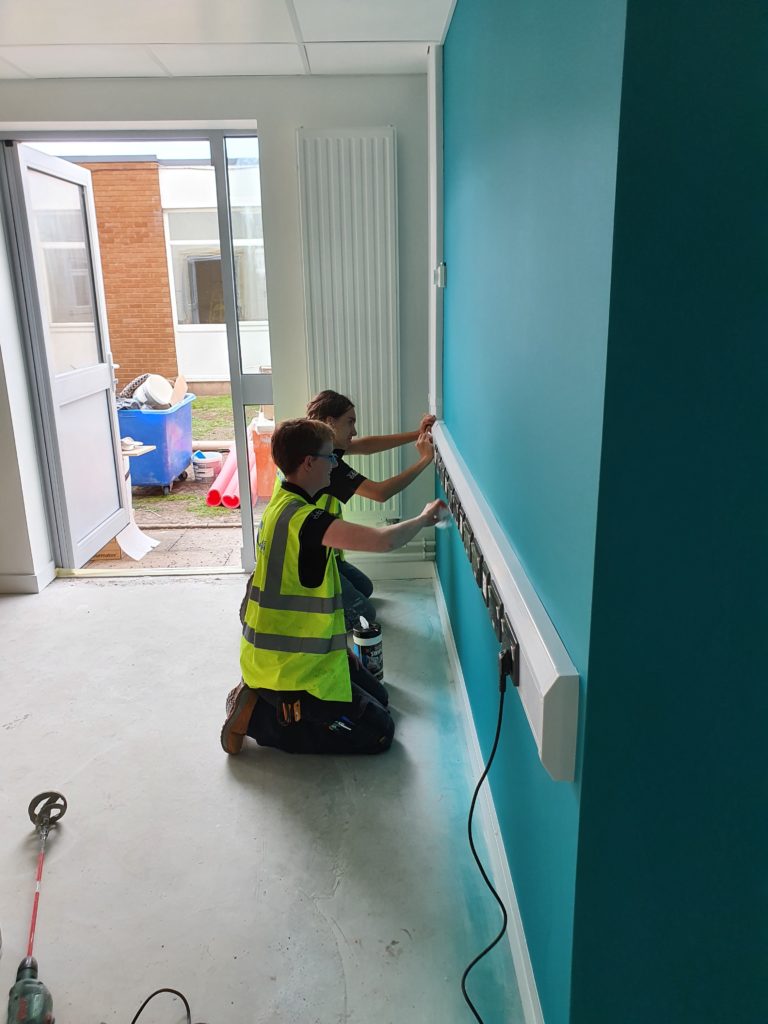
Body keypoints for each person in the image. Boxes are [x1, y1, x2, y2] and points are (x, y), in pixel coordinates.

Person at [221, 418, 446, 757]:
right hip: (286, 667)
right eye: (330, 457)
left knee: (381, 698)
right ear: (308, 463)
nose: (335, 464)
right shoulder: (305, 520)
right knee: (380, 734)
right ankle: (256, 715)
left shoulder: (283, 498)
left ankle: (271, 698)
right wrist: (425, 518)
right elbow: (383, 541)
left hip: (300, 653)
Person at [305, 390, 437, 629]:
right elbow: (380, 493)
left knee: (364, 588)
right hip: (305, 557)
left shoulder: (314, 443)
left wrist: (417, 434)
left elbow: (366, 445)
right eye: (350, 422)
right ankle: (308, 606)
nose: (354, 431)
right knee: (364, 613)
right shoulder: (323, 464)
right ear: (330, 422)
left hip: (319, 550)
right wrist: (424, 461)